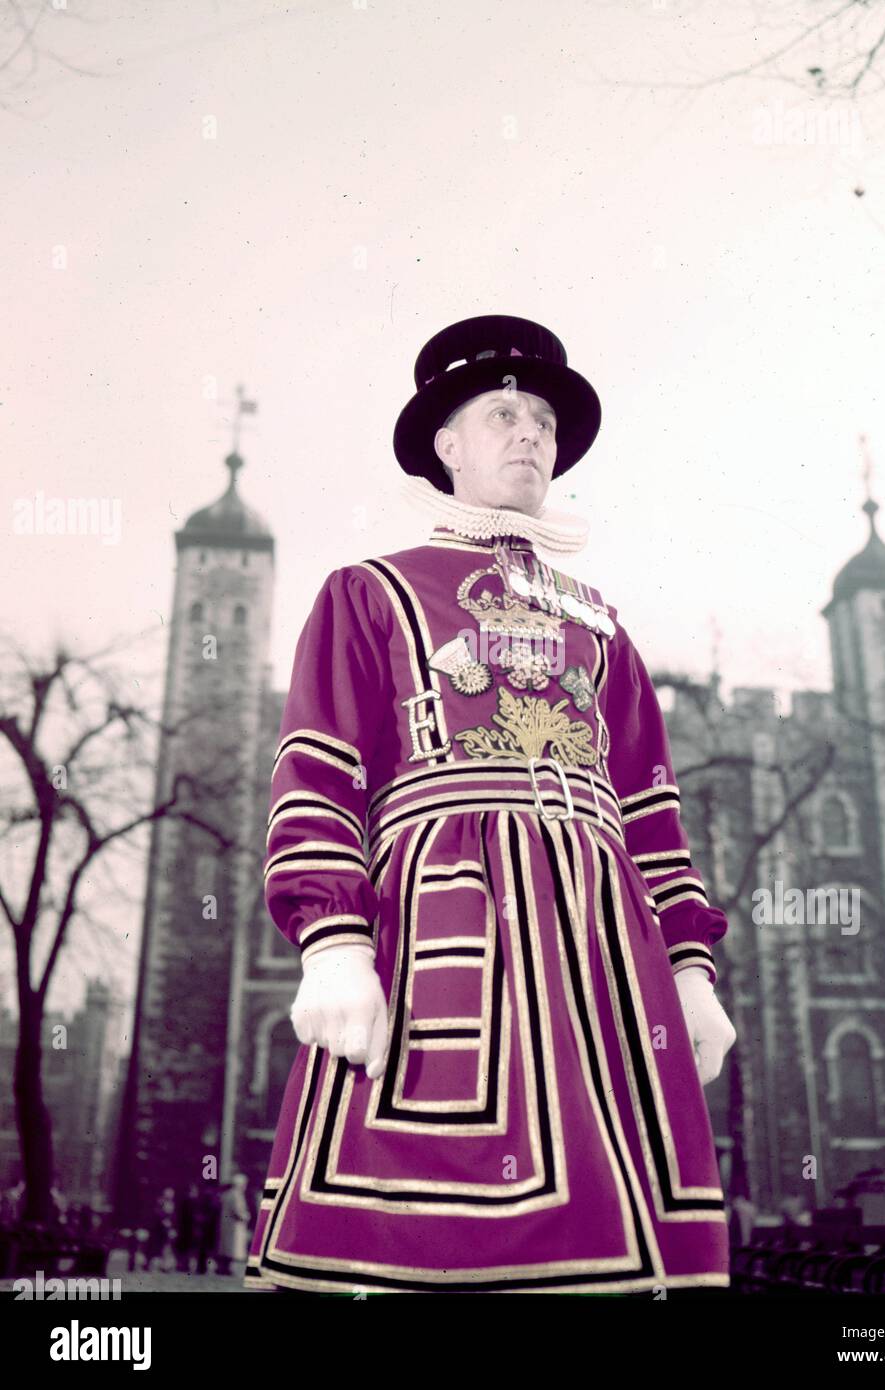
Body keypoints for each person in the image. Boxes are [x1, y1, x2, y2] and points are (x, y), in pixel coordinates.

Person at [246, 314, 737, 1295]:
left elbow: (649, 807)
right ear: (446, 444)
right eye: (503, 414)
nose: (530, 437)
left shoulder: (599, 622)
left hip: (604, 952)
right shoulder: (367, 592)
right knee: (406, 1239)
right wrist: (332, 942)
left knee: (619, 1219)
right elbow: (318, 772)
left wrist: (688, 967)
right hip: (441, 927)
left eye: (545, 424)